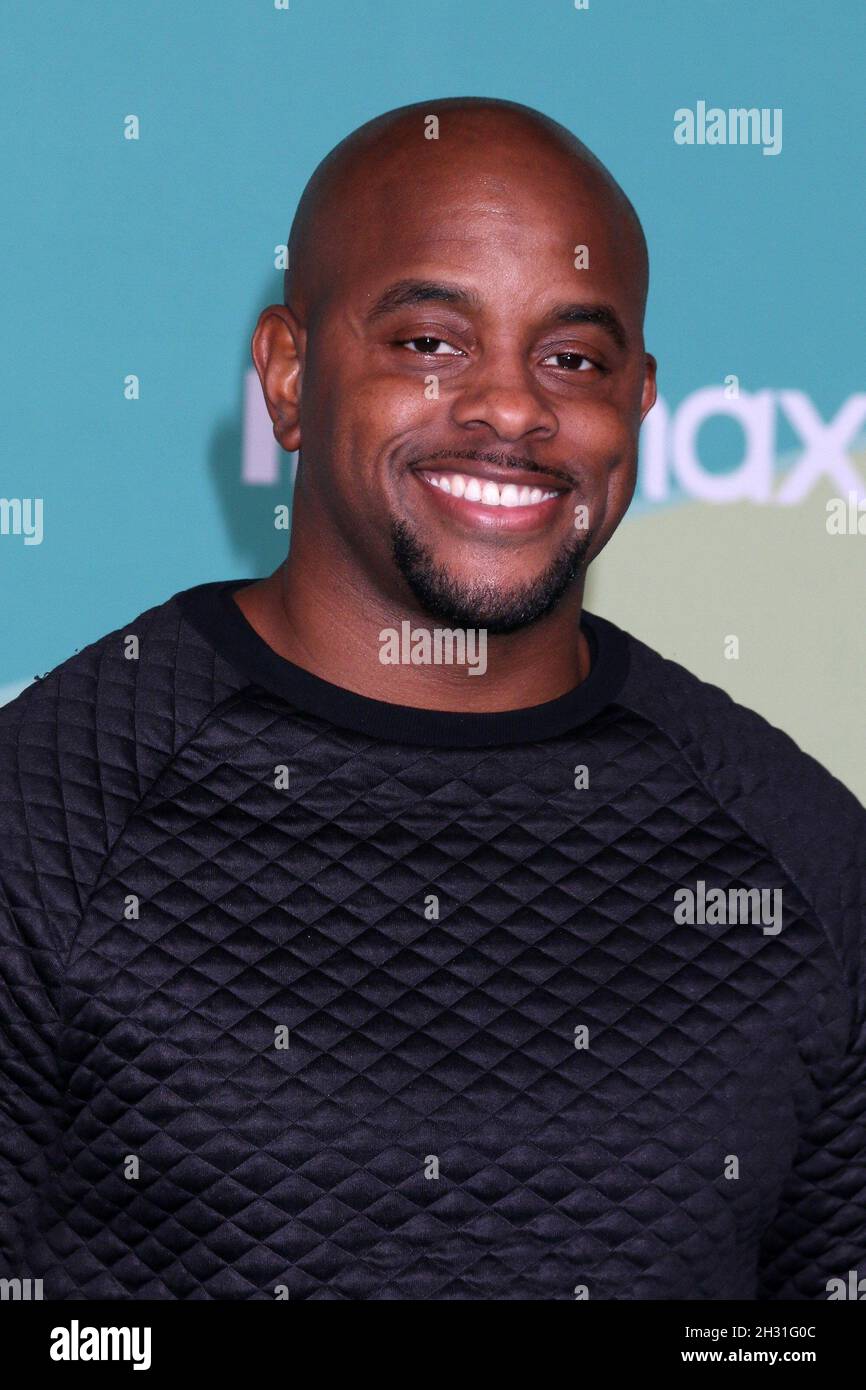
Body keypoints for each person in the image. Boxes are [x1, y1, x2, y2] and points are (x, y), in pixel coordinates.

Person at [1, 97, 863, 1301]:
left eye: (572, 358)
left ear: (639, 406)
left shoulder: (803, 858)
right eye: (428, 342)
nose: (511, 408)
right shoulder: (43, 818)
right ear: (290, 376)